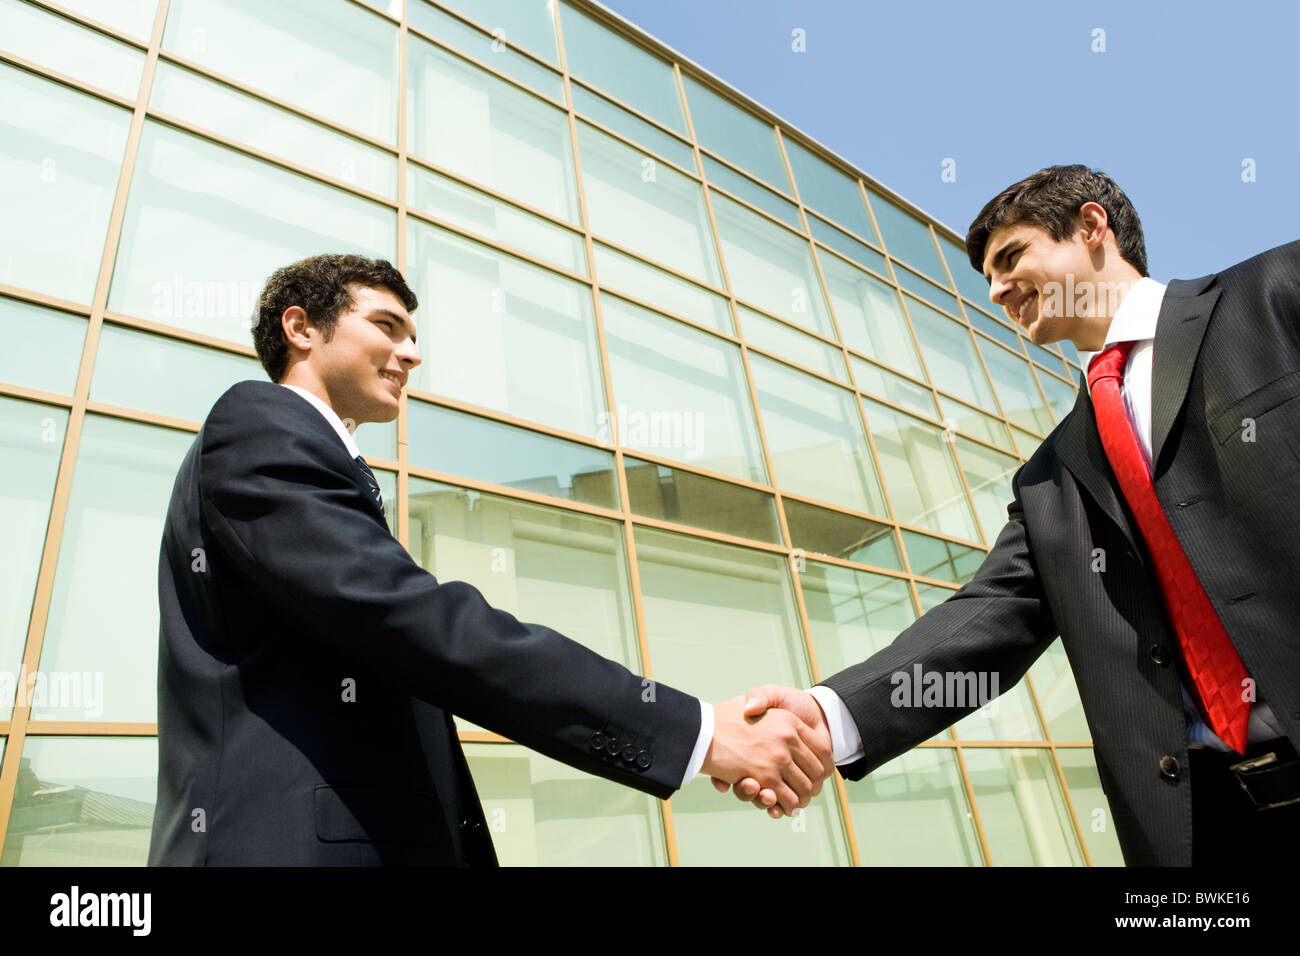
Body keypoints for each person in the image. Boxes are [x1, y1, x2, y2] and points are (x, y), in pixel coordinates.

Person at [148, 254, 831, 866]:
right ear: (301, 327)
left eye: (413, 337)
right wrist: (699, 734)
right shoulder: (260, 423)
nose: (410, 353)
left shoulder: (321, 463)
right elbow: (416, 621)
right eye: (387, 327)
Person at [717, 165, 1300, 865]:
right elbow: (987, 623)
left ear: (1092, 228)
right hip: (1206, 829)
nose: (995, 290)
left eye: (1011, 257)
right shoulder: (1051, 479)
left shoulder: (1274, 295)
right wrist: (826, 714)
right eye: (987, 276)